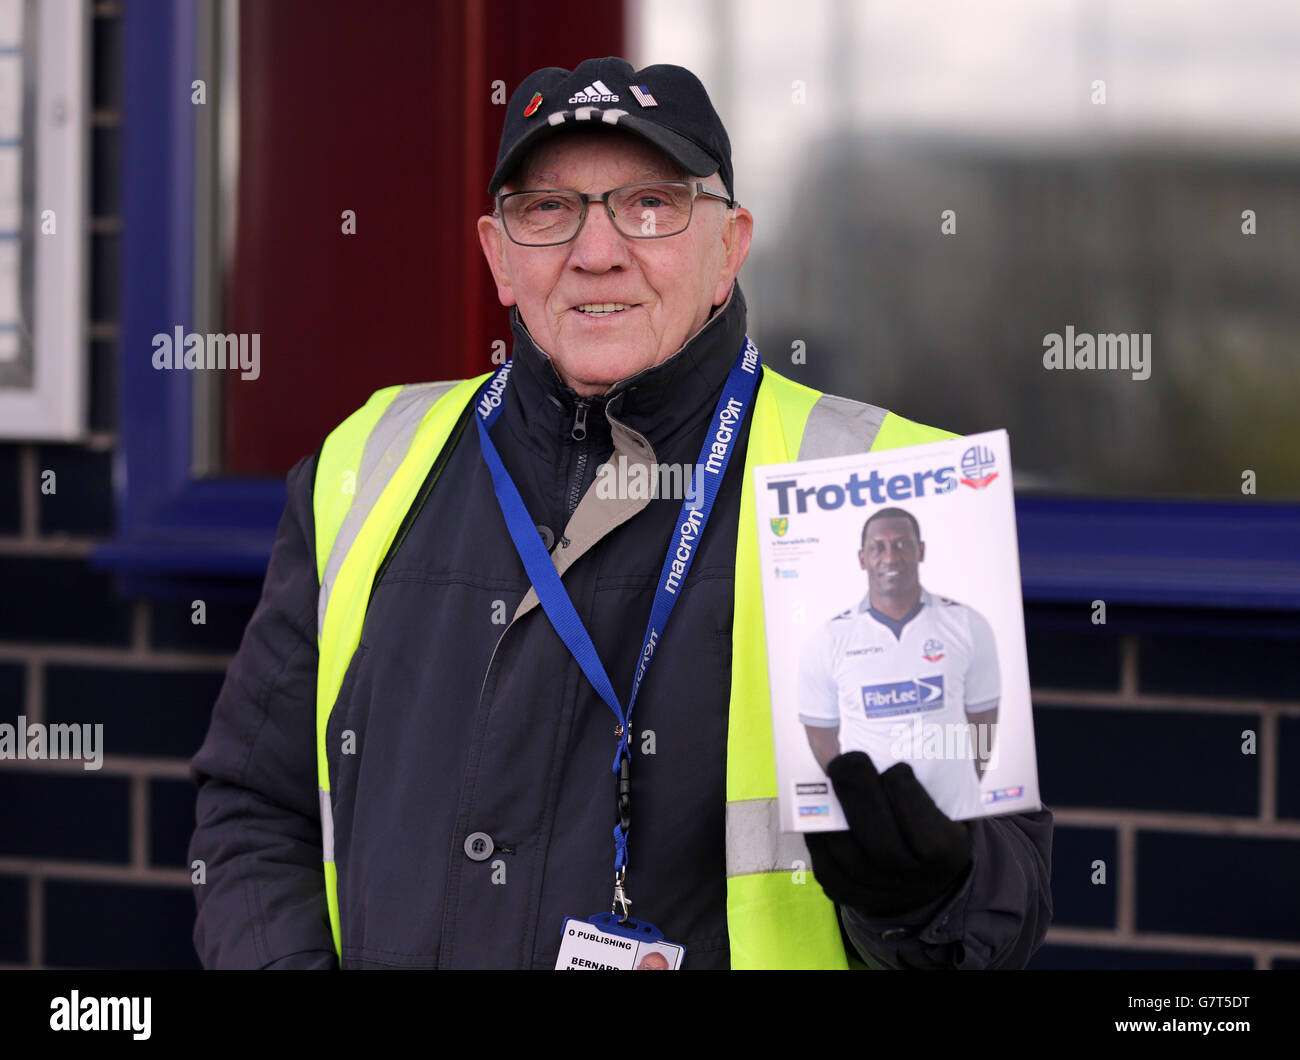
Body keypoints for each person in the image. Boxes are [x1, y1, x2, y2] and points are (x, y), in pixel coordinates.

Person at [188, 56, 1052, 970]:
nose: (596, 252)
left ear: (729, 246)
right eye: (548, 210)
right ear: (498, 257)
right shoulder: (367, 460)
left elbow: (999, 916)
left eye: (651, 205)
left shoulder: (881, 485)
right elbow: (253, 809)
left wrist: (923, 900)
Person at [800, 507, 1000, 821]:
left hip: (957, 822)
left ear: (921, 550)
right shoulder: (828, 639)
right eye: (878, 547)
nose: (891, 557)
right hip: (874, 830)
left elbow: (984, 719)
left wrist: (963, 787)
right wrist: (859, 799)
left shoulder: (967, 624)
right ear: (862, 558)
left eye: (902, 544)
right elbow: (820, 733)